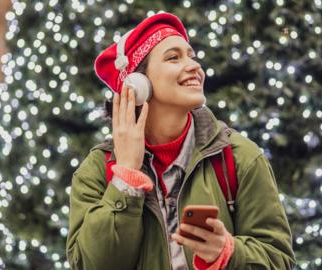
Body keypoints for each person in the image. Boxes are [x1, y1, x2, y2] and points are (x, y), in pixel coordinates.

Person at [66, 12, 295, 270]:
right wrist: (126, 177)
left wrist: (228, 253)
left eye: (191, 55)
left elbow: (280, 260)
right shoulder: (96, 171)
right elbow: (91, 265)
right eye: (174, 57)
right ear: (137, 85)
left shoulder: (239, 157)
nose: (194, 66)